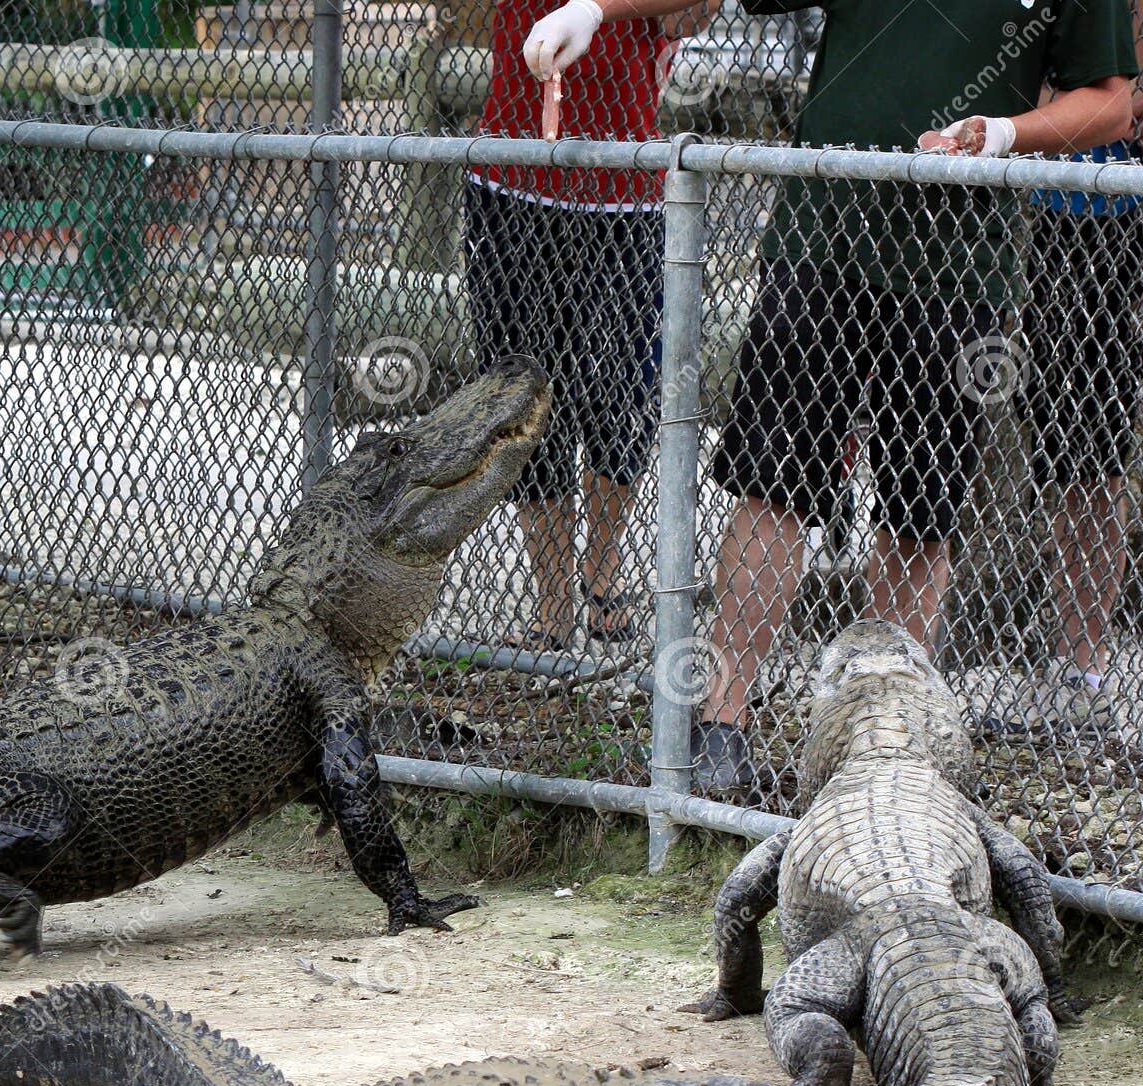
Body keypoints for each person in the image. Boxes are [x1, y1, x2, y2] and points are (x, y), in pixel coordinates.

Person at [523, 0, 1136, 792]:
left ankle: (886, 744)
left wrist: (1006, 133)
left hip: (960, 264)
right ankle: (720, 721)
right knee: (771, 485)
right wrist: (598, 8)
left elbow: (1112, 101)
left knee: (921, 513)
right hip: (821, 239)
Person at [465, 0, 716, 650]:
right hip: (513, 185)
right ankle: (552, 613)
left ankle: (601, 584)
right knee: (524, 404)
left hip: (622, 192)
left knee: (620, 399)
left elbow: (692, 18)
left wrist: (596, 9)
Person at [1013, 2, 1143, 733]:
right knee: (1065, 446)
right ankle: (1072, 654)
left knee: (1104, 443)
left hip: (1121, 220)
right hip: (1048, 222)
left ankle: (1088, 657)